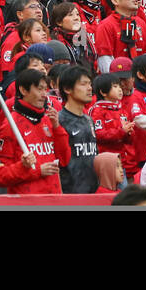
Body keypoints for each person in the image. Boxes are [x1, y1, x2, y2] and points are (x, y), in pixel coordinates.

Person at [0, 68, 70, 193]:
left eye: (45, 89)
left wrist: (57, 127)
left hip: (54, 198)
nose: (44, 94)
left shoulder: (48, 120)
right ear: (23, 90)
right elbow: (0, 176)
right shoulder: (10, 126)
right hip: (26, 201)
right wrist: (35, 171)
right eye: (39, 89)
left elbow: (64, 159)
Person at [58, 66, 100, 194]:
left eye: (90, 84)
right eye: (83, 84)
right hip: (70, 193)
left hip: (92, 191)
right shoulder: (59, 120)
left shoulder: (89, 119)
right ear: (67, 89)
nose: (89, 88)